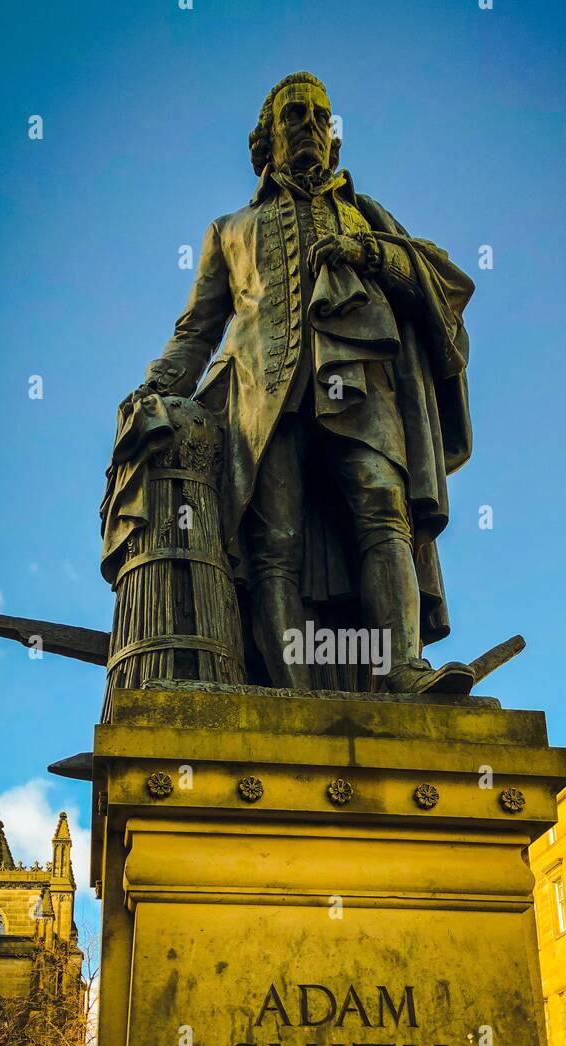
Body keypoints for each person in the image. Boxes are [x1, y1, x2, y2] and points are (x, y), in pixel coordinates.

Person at [124, 72, 477, 697]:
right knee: (274, 543)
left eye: (320, 116)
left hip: (361, 378)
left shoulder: (368, 218)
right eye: (294, 117)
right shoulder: (229, 229)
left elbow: (437, 283)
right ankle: (289, 691)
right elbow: (196, 331)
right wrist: (154, 386)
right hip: (263, 391)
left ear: (334, 139)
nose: (310, 126)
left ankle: (402, 670)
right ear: (267, 140)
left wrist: (368, 253)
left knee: (383, 507)